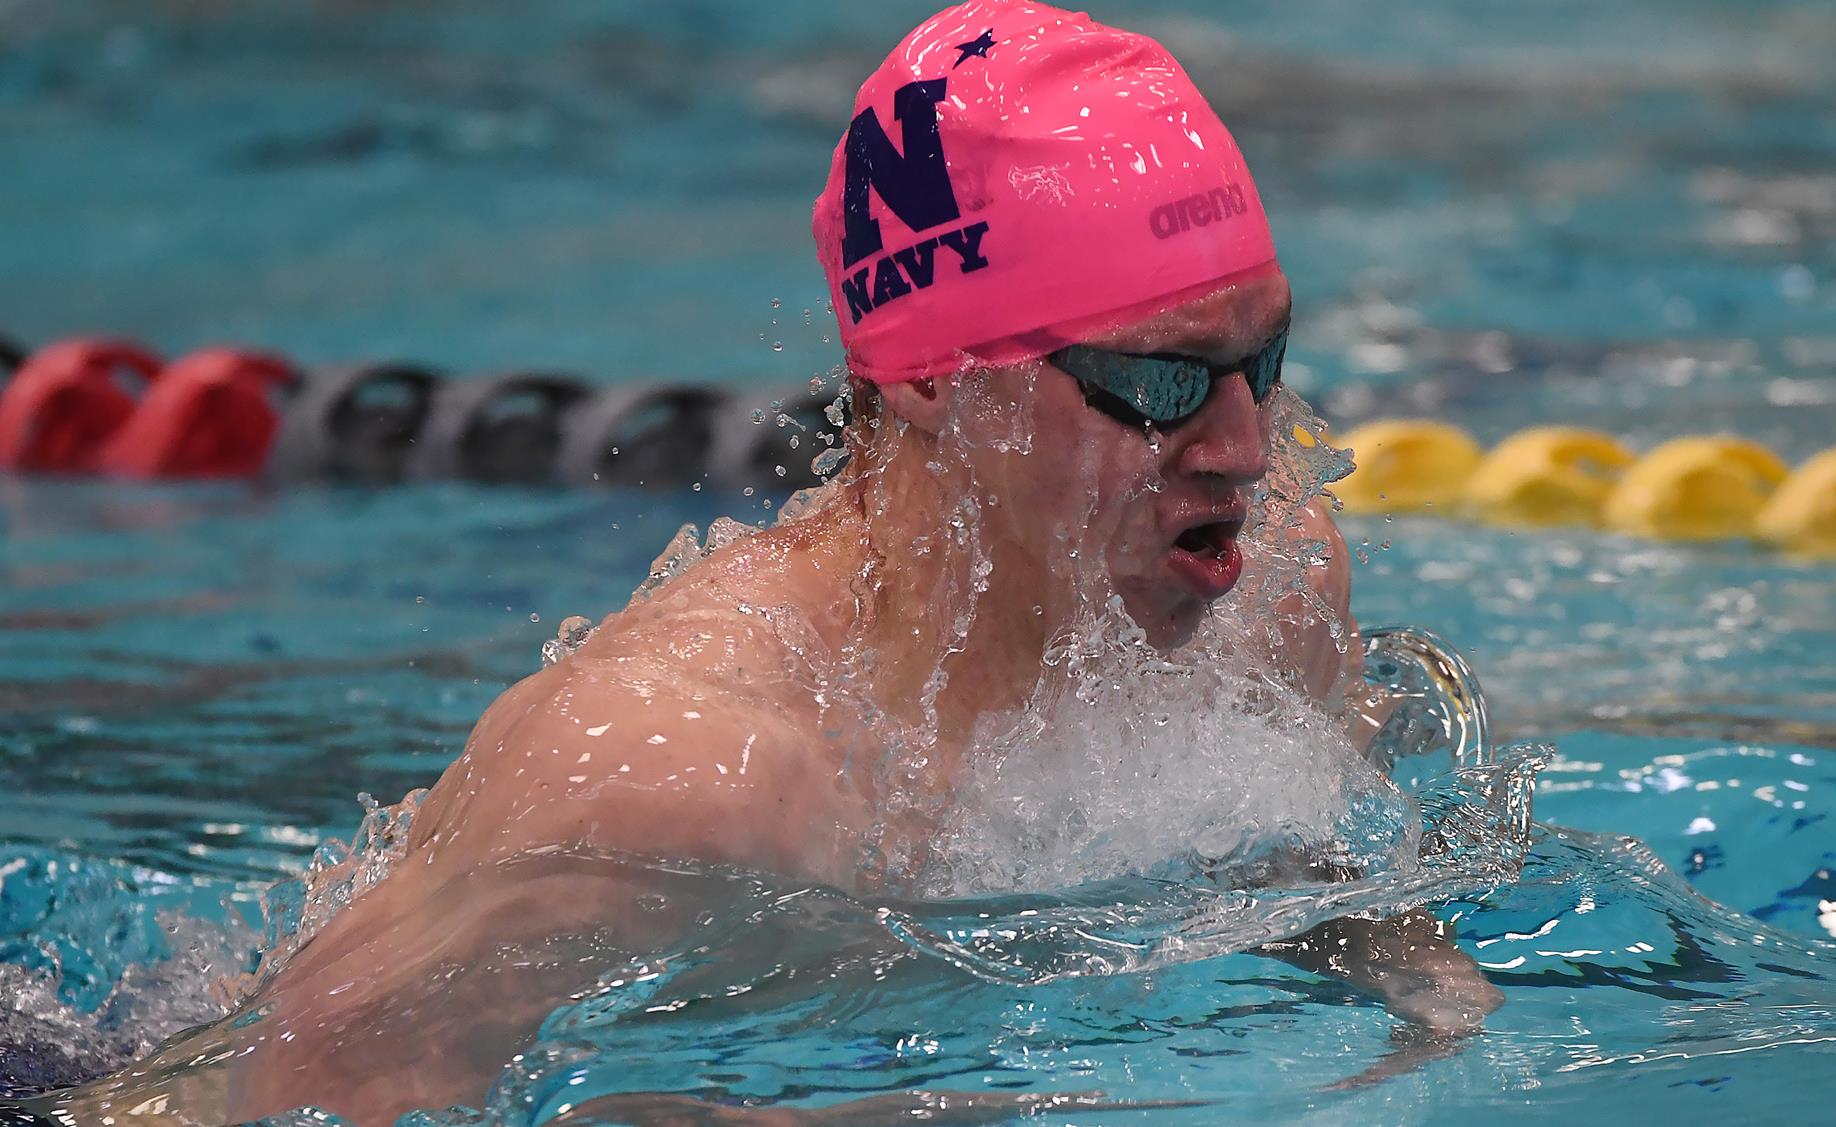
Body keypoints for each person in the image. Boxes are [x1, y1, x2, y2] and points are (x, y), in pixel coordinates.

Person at [42, 3, 1499, 1123]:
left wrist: (1438, 1040)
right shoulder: (682, 773)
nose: (1245, 448)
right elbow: (293, 1097)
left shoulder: (1272, 587)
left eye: (1264, 360)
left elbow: (1331, 882)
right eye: (1162, 384)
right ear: (934, 379)